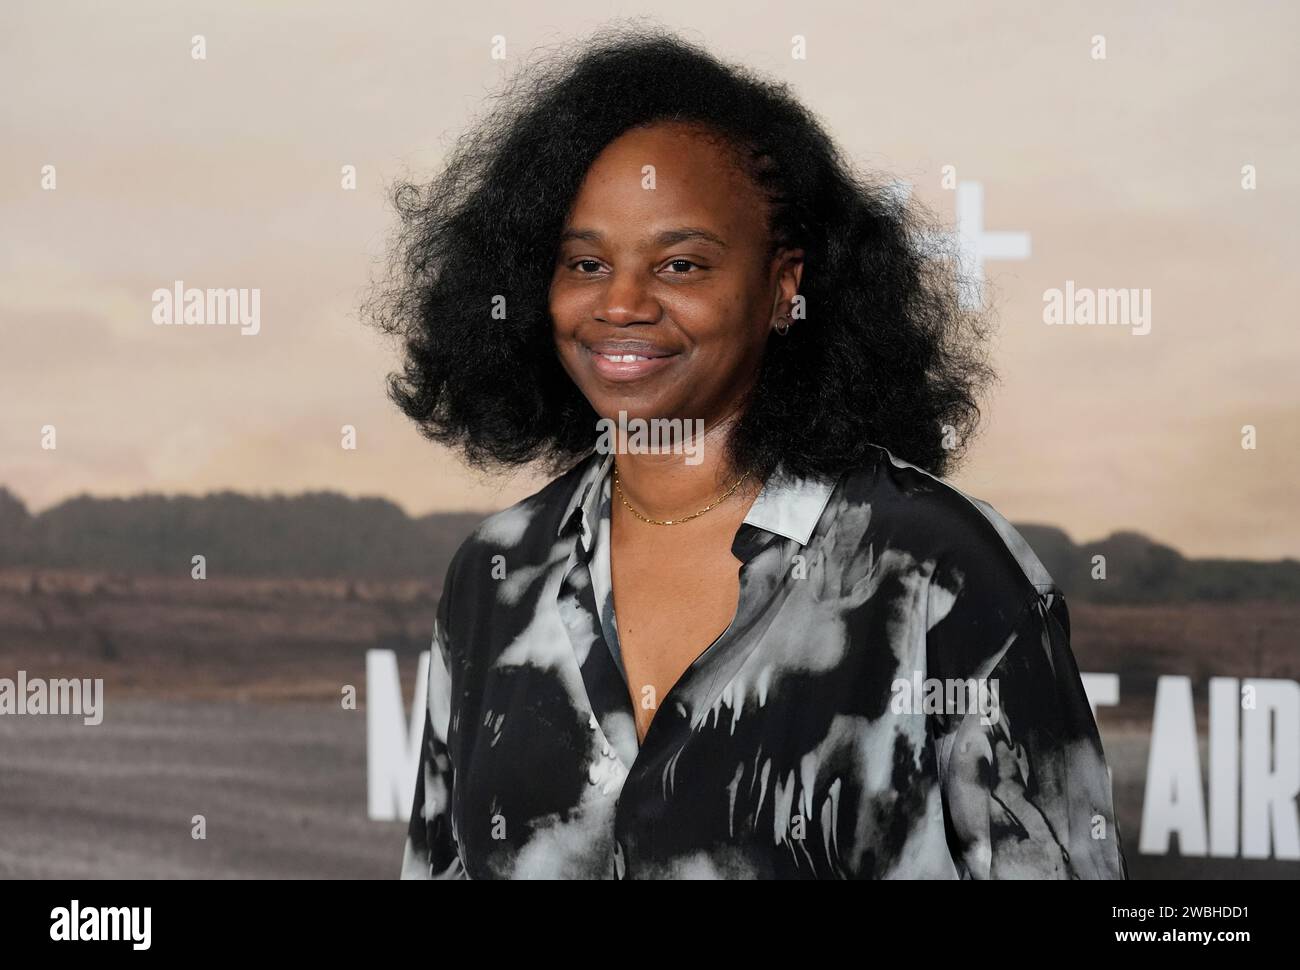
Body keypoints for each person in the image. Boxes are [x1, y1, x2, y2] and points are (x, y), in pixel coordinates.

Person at [369, 24, 1127, 880]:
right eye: (584, 263)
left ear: (782, 287)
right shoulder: (494, 576)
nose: (620, 303)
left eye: (681, 264)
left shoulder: (940, 575)